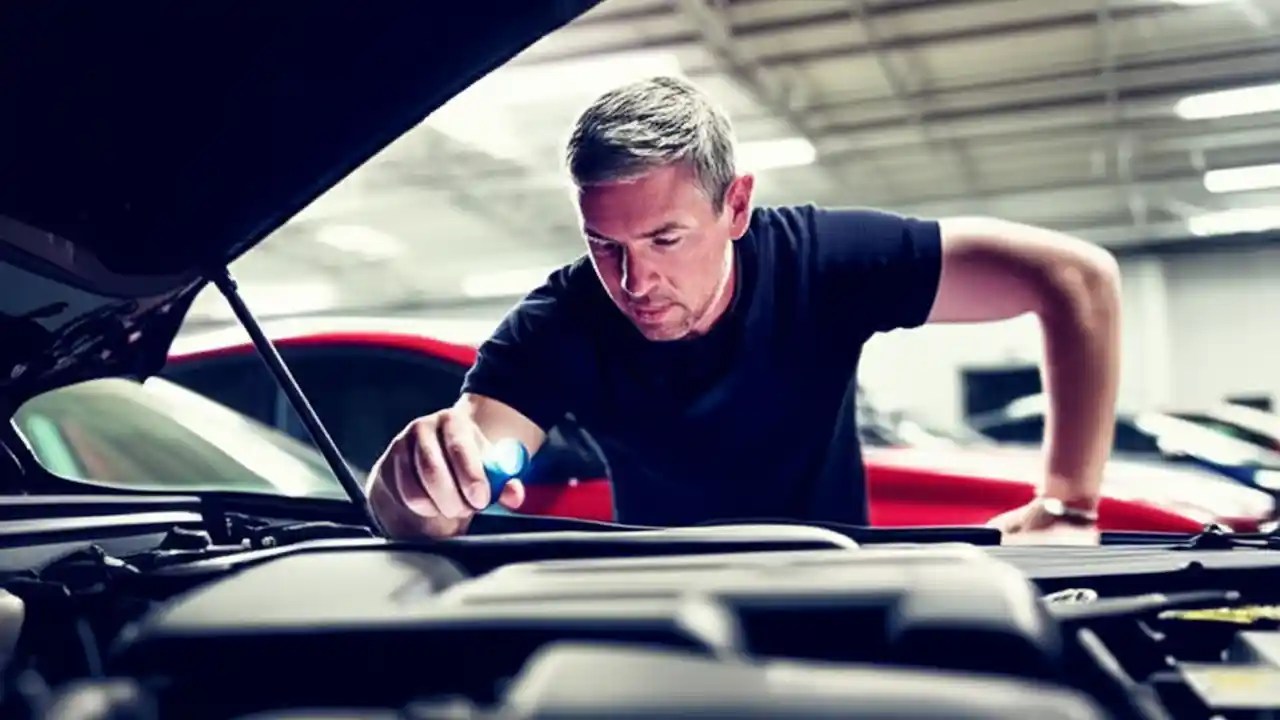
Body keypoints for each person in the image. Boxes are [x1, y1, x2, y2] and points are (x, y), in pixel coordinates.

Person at [366, 76, 1121, 542]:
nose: (634, 280)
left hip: (835, 594)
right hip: (668, 621)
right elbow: (441, 497)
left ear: (736, 205)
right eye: (605, 244)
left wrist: (1070, 504)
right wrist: (417, 486)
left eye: (666, 238)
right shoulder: (559, 323)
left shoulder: (820, 263)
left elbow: (1078, 278)